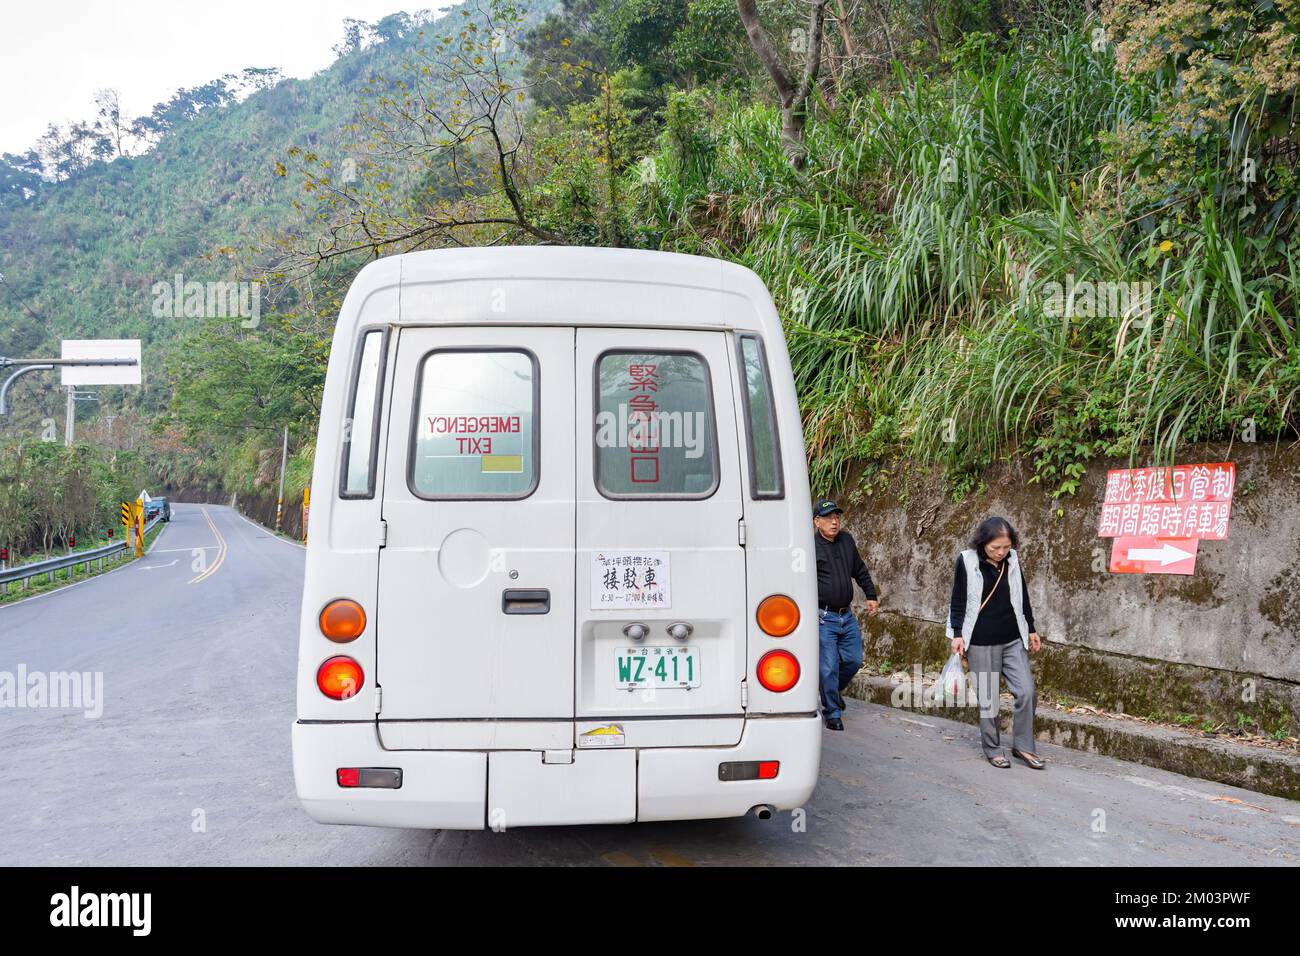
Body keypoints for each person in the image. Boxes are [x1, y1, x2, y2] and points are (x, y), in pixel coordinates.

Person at [946, 516, 1044, 769]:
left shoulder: (1012, 559)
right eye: (995, 548)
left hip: (1012, 638)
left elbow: (1022, 595)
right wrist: (957, 634)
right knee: (989, 699)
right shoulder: (967, 561)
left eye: (1006, 546)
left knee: (1027, 692)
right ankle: (992, 748)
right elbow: (957, 600)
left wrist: (1031, 629)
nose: (1001, 552)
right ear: (983, 543)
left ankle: (1023, 746)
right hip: (980, 641)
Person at [813, 499, 879, 731]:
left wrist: (871, 595)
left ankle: (830, 691)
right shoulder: (810, 546)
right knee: (829, 667)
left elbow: (859, 569)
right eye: (829, 517)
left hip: (846, 616)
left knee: (853, 661)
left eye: (837, 516)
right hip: (823, 617)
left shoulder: (846, 540)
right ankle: (832, 712)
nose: (834, 521)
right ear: (817, 522)